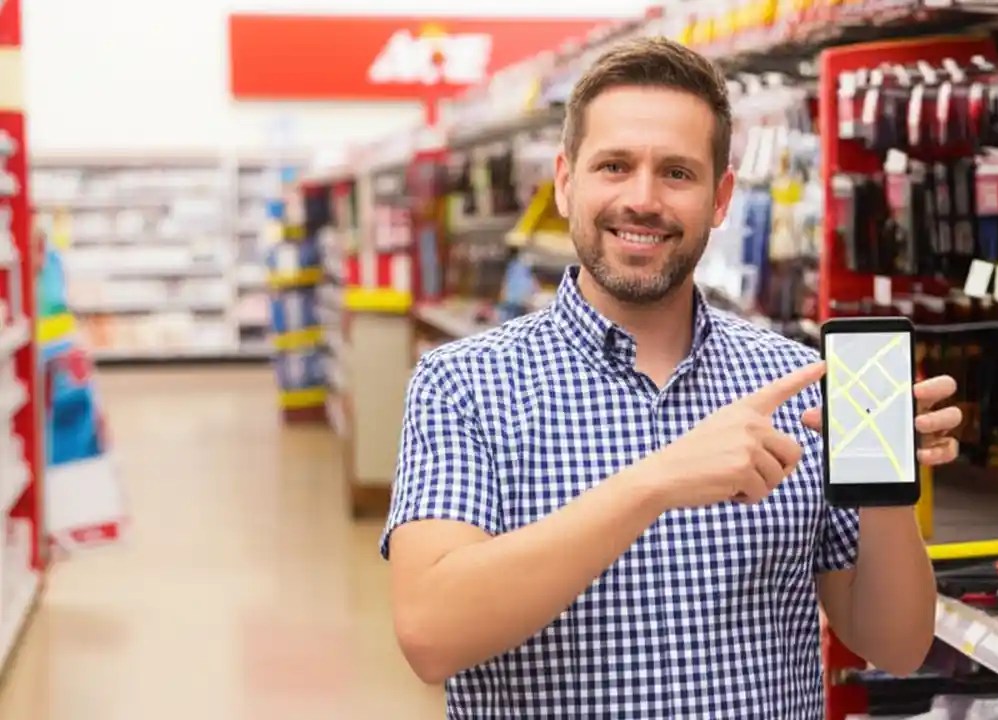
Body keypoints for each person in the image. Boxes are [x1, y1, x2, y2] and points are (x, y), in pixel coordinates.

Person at [382, 36, 963, 718]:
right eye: (615, 166)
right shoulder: (464, 384)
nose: (643, 199)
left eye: (677, 174)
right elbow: (431, 634)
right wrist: (657, 481)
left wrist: (889, 483)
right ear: (566, 182)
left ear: (720, 199)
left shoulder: (795, 381)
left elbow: (894, 645)